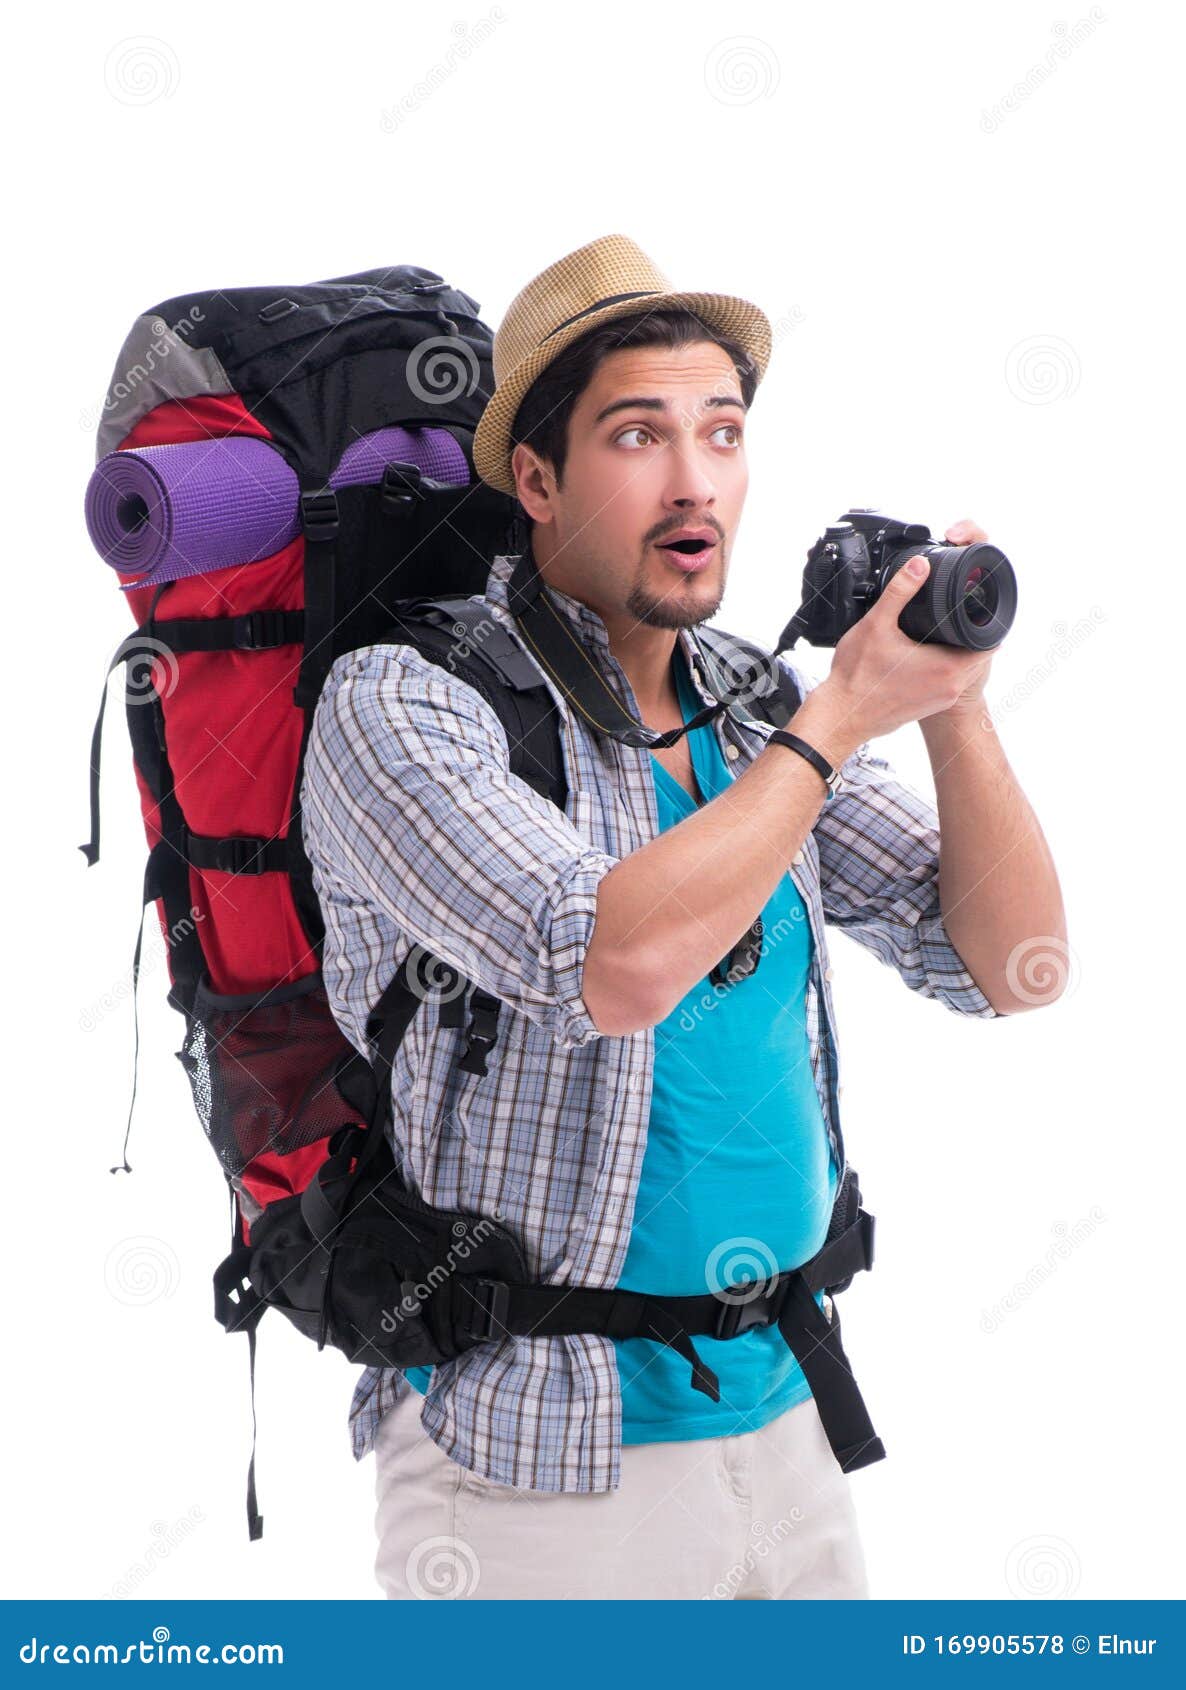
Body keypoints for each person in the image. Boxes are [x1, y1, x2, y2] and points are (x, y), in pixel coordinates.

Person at [299, 233, 1066, 1600]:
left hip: (783, 1413)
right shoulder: (404, 704)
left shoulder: (746, 699)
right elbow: (609, 958)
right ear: (535, 480)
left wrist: (951, 700)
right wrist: (840, 712)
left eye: (720, 430)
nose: (693, 476)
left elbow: (1005, 964)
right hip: (532, 1457)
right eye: (636, 434)